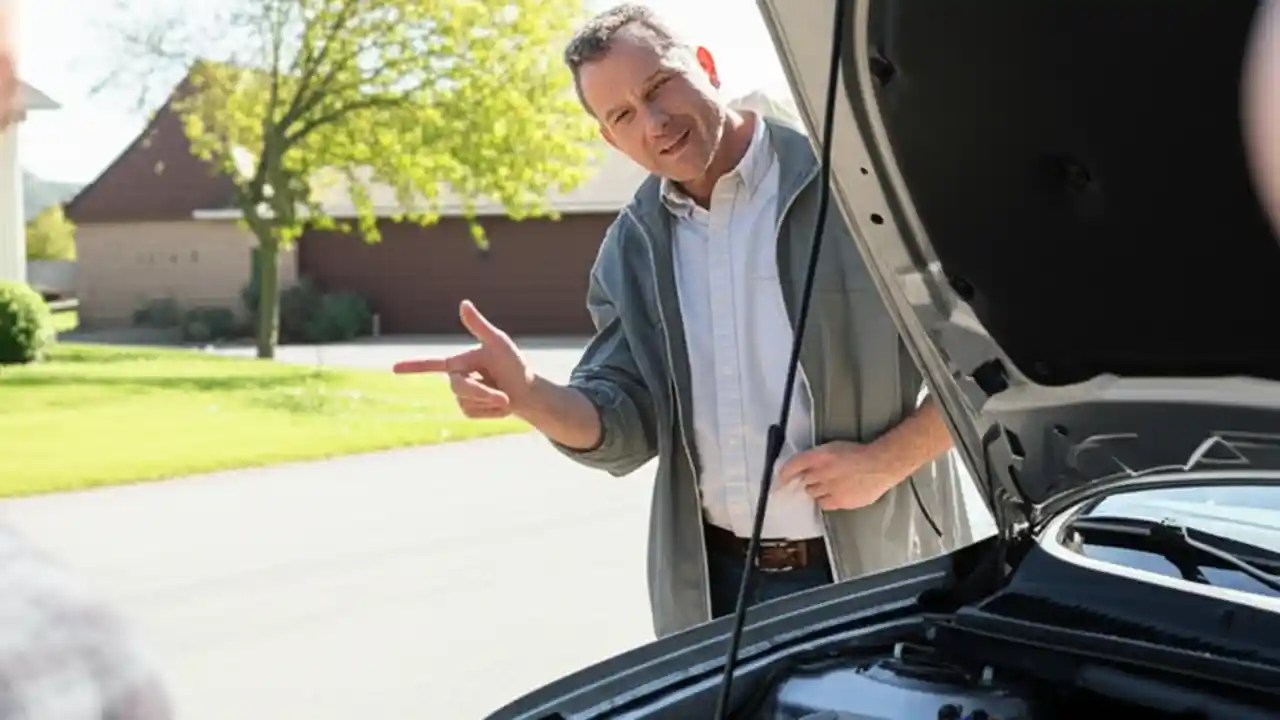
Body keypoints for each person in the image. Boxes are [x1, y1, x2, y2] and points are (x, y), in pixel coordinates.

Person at [394, 3, 979, 638]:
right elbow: (624, 421)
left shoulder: (854, 179)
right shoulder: (632, 246)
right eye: (622, 115)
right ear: (610, 138)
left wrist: (889, 460)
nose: (654, 122)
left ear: (705, 65)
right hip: (714, 589)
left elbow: (990, 354)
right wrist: (530, 395)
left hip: (877, 570)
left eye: (658, 86)